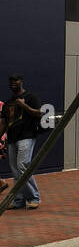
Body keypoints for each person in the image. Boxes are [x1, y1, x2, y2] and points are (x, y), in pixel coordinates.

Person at [1, 74, 44, 209]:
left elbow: (39, 113)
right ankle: (19, 200)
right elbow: (3, 123)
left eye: (16, 80)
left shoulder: (30, 97)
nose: (13, 83)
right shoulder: (8, 103)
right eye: (11, 81)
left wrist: (24, 106)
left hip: (27, 136)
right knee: (15, 170)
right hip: (12, 139)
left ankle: (34, 197)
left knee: (22, 166)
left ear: (21, 82)